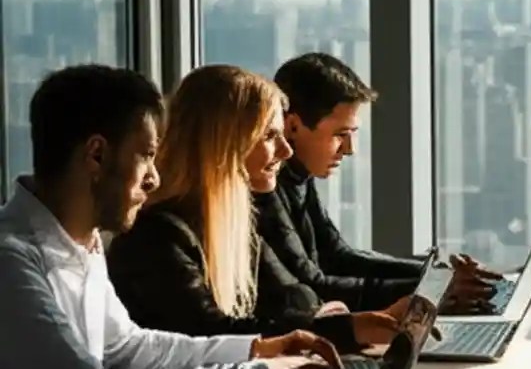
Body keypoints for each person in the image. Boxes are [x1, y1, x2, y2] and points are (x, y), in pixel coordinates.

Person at [0, 66, 340, 369]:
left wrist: (254, 351)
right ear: (96, 155)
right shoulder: (11, 259)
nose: (154, 179)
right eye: (145, 155)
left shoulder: (83, 242)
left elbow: (127, 347)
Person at [108, 65, 399, 353]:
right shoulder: (157, 238)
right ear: (225, 144)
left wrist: (352, 325)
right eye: (270, 136)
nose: (286, 151)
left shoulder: (231, 226)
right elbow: (214, 336)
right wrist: (345, 330)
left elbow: (297, 296)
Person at [257, 52, 497, 314]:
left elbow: (338, 258)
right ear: (292, 126)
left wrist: (441, 277)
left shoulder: (297, 176)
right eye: (341, 135)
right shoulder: (264, 185)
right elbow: (312, 287)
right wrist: (434, 289)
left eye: (352, 133)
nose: (349, 149)